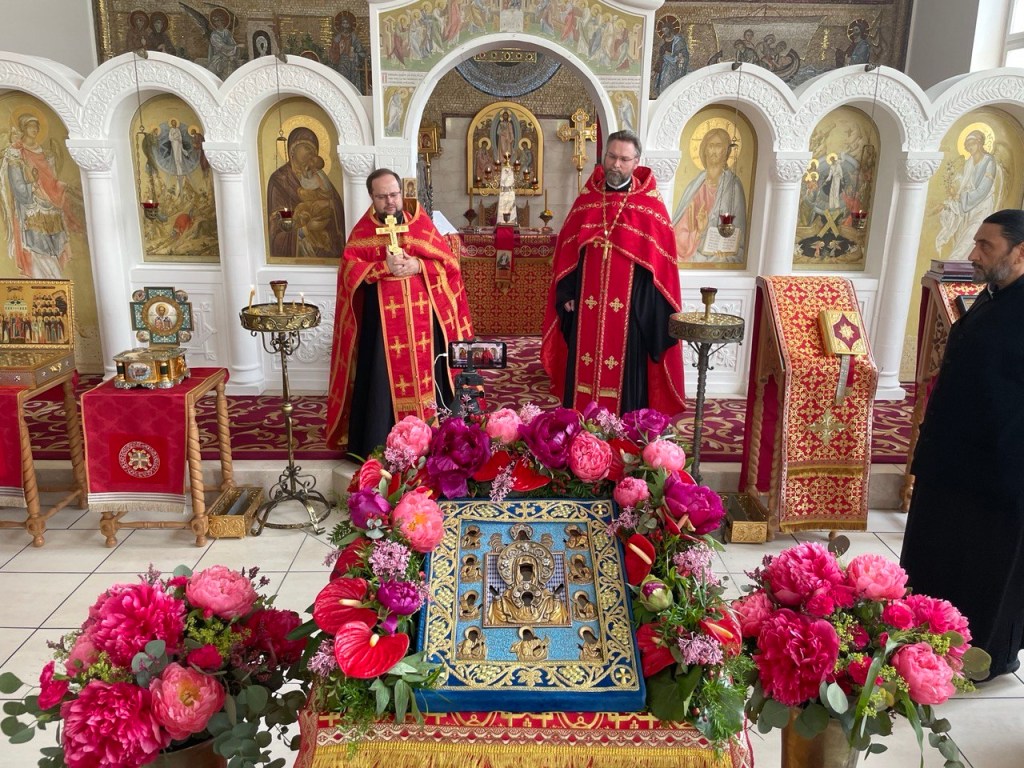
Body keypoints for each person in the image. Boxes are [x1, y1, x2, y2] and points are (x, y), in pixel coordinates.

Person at [901, 209, 1024, 682]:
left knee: (986, 573)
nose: (973, 255)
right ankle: (925, 645)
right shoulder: (996, 296)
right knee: (938, 559)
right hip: (955, 466)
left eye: (985, 246)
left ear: (1020, 251)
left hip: (998, 477)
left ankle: (981, 659)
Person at [325, 168, 473, 456]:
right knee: (380, 385)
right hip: (381, 329)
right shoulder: (363, 232)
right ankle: (381, 445)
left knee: (431, 379)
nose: (390, 202)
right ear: (372, 197)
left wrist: (418, 265)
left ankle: (435, 439)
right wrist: (383, 268)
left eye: (394, 195)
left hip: (424, 328)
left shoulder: (420, 225)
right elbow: (349, 272)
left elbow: (448, 266)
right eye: (382, 197)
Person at [542, 130, 686, 416]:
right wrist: (567, 292)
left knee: (626, 378)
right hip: (587, 308)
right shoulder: (588, 199)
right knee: (581, 372)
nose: (616, 165)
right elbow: (569, 249)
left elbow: (659, 267)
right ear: (604, 156)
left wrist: (642, 308)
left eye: (623, 159)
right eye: (611, 157)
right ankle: (578, 429)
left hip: (629, 314)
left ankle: (622, 435)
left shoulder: (650, 205)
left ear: (636, 162)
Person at [266, 127, 346, 259]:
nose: (311, 154)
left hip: (326, 249)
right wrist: (306, 229)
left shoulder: (319, 176)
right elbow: (276, 226)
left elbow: (336, 206)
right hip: (297, 245)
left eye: (314, 151)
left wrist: (327, 203)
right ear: (293, 149)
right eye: (307, 148)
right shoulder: (279, 179)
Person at [673, 127, 747, 264]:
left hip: (720, 252)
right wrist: (699, 231)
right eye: (710, 146)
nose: (714, 151)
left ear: (726, 151)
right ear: (704, 150)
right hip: (693, 250)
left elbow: (739, 230)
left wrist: (725, 247)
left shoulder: (734, 186)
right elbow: (677, 231)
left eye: (718, 146)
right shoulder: (694, 187)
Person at [936, 129, 1004, 260]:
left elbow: (983, 189)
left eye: (971, 143)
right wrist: (955, 194)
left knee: (970, 237)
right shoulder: (969, 163)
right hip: (967, 207)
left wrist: (961, 198)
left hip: (982, 206)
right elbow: (963, 185)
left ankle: (953, 265)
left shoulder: (989, 162)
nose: (969, 147)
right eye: (966, 145)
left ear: (979, 143)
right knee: (961, 236)